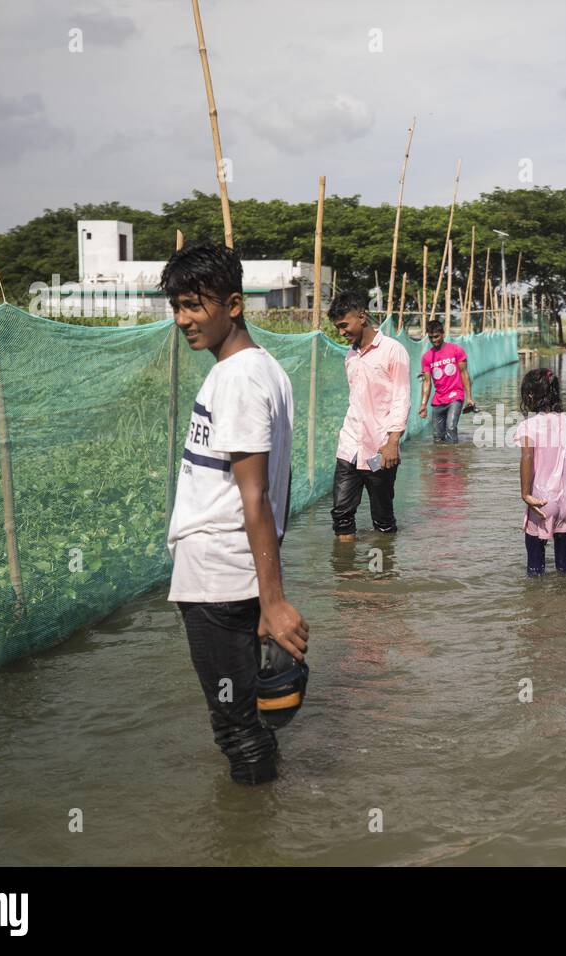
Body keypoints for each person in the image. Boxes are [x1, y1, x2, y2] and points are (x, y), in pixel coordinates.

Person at [163, 242, 309, 785]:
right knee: (252, 715)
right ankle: (268, 818)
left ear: (234, 304)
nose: (183, 320)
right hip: (233, 572)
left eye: (195, 307)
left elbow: (257, 498)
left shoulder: (239, 379)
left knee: (235, 727)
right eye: (177, 307)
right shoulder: (260, 369)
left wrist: (272, 601)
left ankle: (252, 838)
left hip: (217, 577)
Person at [330, 290, 411, 541]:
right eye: (338, 327)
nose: (342, 332)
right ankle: (346, 575)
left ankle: (383, 572)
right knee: (342, 514)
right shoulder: (350, 356)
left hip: (379, 450)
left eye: (345, 325)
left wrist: (392, 443)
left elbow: (401, 398)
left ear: (362, 317)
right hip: (349, 447)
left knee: (382, 517)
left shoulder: (392, 351)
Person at [512, 368, 566, 575]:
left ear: (530, 395)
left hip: (541, 501)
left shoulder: (529, 426)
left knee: (535, 566)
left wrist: (525, 494)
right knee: (565, 565)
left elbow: (527, 457)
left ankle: (538, 605)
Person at [418, 319, 474, 442]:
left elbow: (464, 374)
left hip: (455, 396)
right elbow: (427, 382)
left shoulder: (456, 350)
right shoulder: (427, 357)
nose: (434, 340)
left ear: (443, 333)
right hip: (438, 400)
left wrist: (469, 397)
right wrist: (423, 404)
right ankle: (440, 460)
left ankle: (454, 459)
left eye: (436, 336)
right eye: (431, 337)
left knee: (451, 427)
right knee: (438, 437)